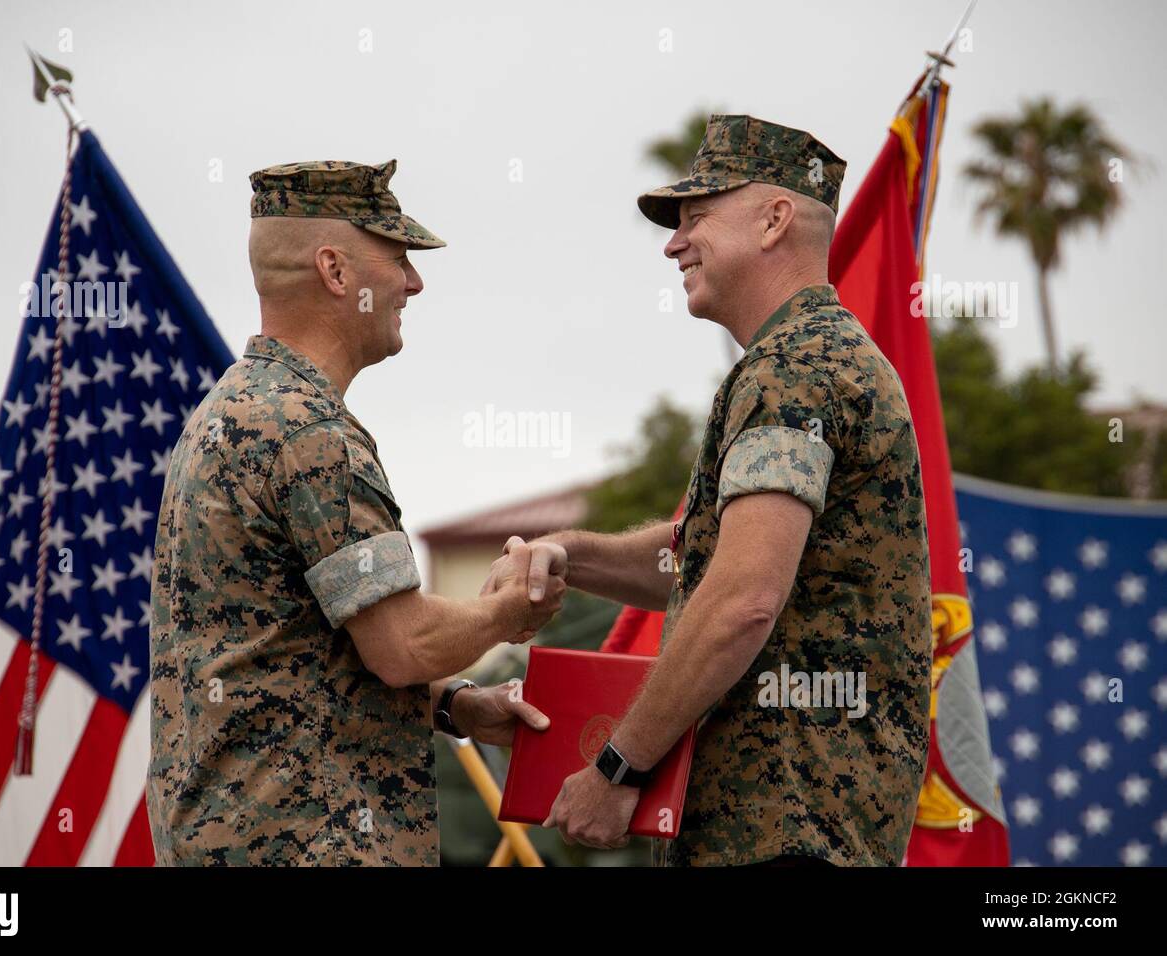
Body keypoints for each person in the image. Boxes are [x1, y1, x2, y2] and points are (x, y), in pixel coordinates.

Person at [487, 116, 932, 866]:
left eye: (696, 219)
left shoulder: (795, 367)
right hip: (792, 825)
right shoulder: (807, 357)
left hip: (784, 830)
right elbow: (702, 566)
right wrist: (570, 553)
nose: (672, 243)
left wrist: (618, 765)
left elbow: (742, 598)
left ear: (774, 220)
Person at [147, 159, 564, 866]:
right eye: (398, 258)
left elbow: (303, 647)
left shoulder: (230, 412)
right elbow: (401, 645)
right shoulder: (308, 431)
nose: (414, 282)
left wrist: (456, 705)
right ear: (336, 271)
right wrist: (508, 611)